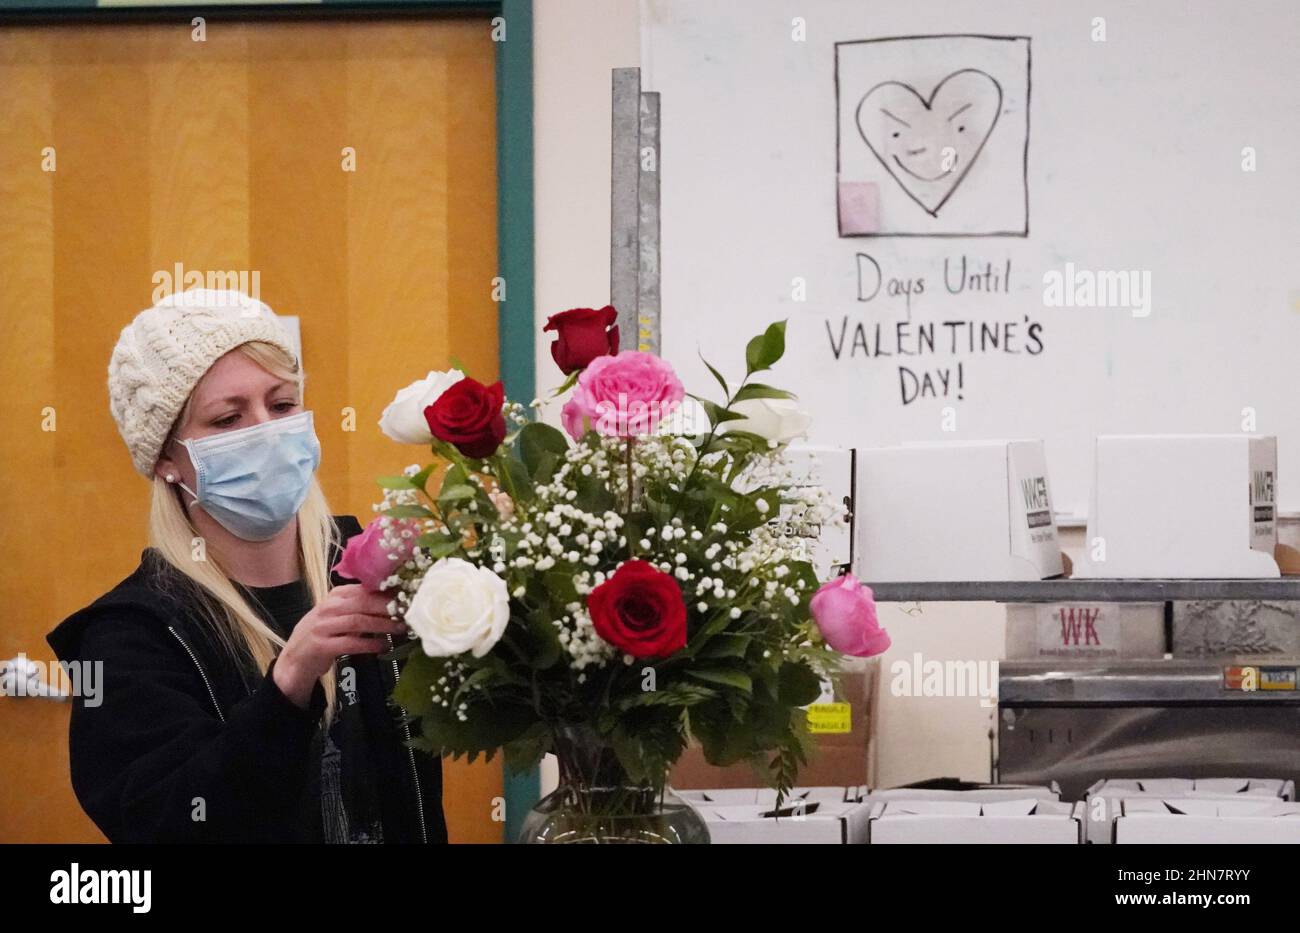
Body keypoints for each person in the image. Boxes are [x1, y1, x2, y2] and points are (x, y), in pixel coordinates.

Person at [46, 288, 448, 844]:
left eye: (282, 406)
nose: (266, 430)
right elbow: (170, 822)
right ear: (166, 458)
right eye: (228, 418)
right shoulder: (131, 635)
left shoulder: (370, 565)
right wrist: (288, 683)